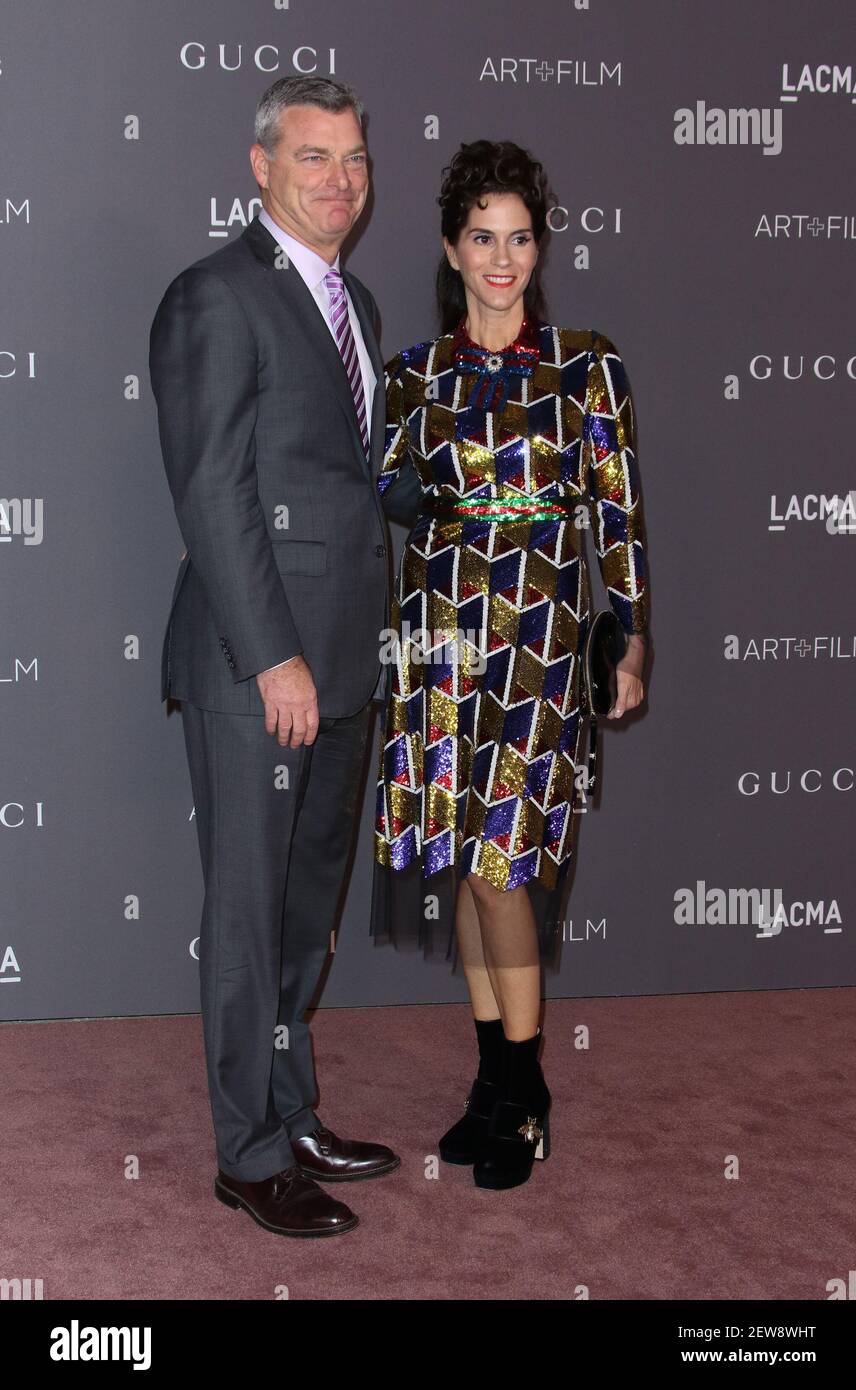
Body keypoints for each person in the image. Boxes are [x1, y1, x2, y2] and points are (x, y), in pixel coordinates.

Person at [149, 75, 417, 1239]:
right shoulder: (215, 297)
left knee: (305, 910)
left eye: (353, 158)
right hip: (259, 671)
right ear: (259, 166)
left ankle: (292, 1110)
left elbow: (348, 483)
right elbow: (212, 492)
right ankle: (246, 1153)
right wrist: (276, 660)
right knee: (251, 916)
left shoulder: (348, 295)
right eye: (312, 157)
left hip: (346, 663)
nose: (338, 180)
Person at [371, 140, 650, 1191]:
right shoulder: (415, 376)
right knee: (465, 863)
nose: (500, 258)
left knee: (503, 863)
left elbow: (616, 512)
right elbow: (387, 498)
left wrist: (628, 636)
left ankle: (525, 1094)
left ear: (539, 245)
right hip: (439, 635)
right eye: (481, 238)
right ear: (451, 249)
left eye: (518, 237)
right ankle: (492, 1083)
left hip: (539, 637)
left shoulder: (588, 364)